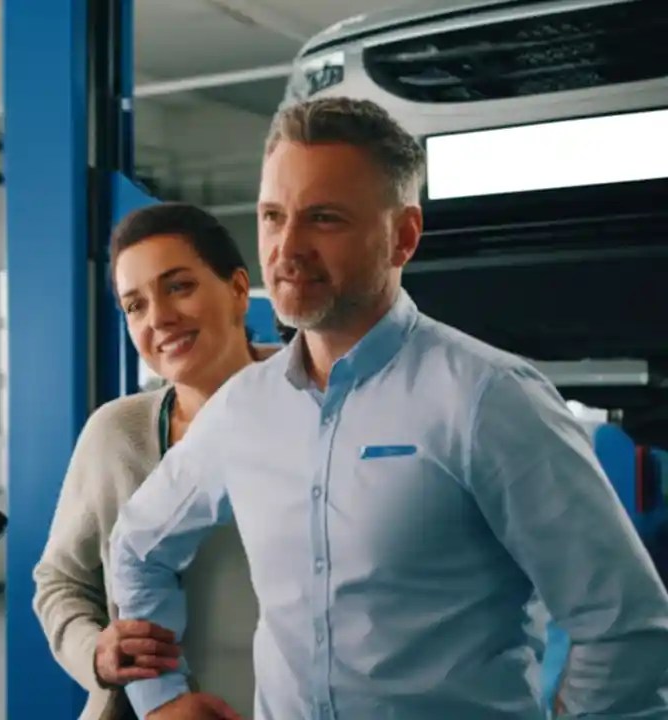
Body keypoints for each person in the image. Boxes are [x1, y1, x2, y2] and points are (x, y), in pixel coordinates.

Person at [108, 96, 668, 720]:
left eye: (323, 218)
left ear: (402, 236)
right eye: (272, 216)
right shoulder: (244, 409)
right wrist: (159, 698)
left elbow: (623, 628)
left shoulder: (488, 398)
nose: (286, 248)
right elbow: (137, 547)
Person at [33, 203, 273, 720]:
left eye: (179, 286)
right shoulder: (117, 433)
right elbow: (60, 582)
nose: (159, 318)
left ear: (236, 289)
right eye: (135, 305)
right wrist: (96, 651)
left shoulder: (317, 405)